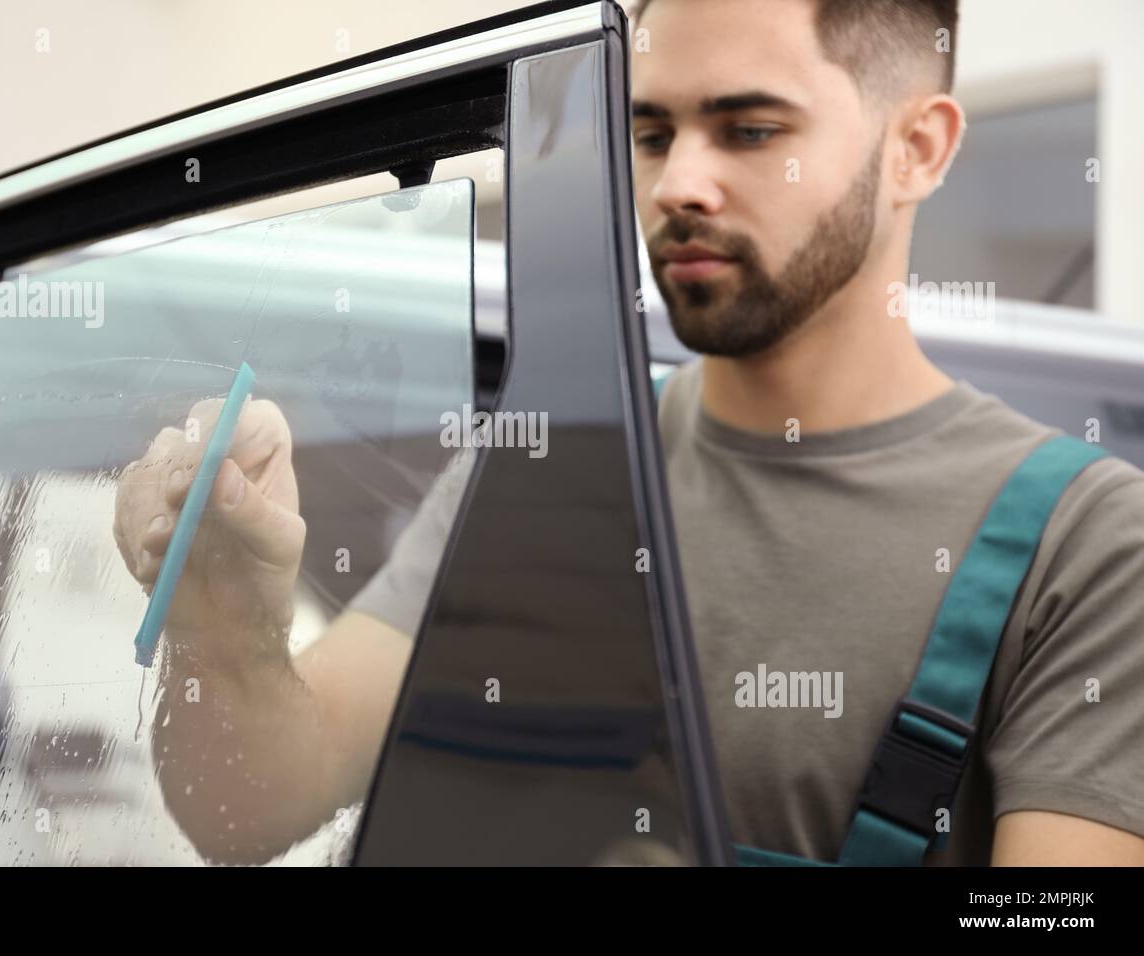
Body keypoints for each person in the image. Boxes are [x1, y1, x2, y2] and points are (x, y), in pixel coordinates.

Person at [112, 0, 1144, 865]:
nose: (677, 184)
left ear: (917, 149)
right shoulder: (548, 455)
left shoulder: (1086, 543)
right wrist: (228, 615)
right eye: (649, 133)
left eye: (748, 130)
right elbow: (250, 806)